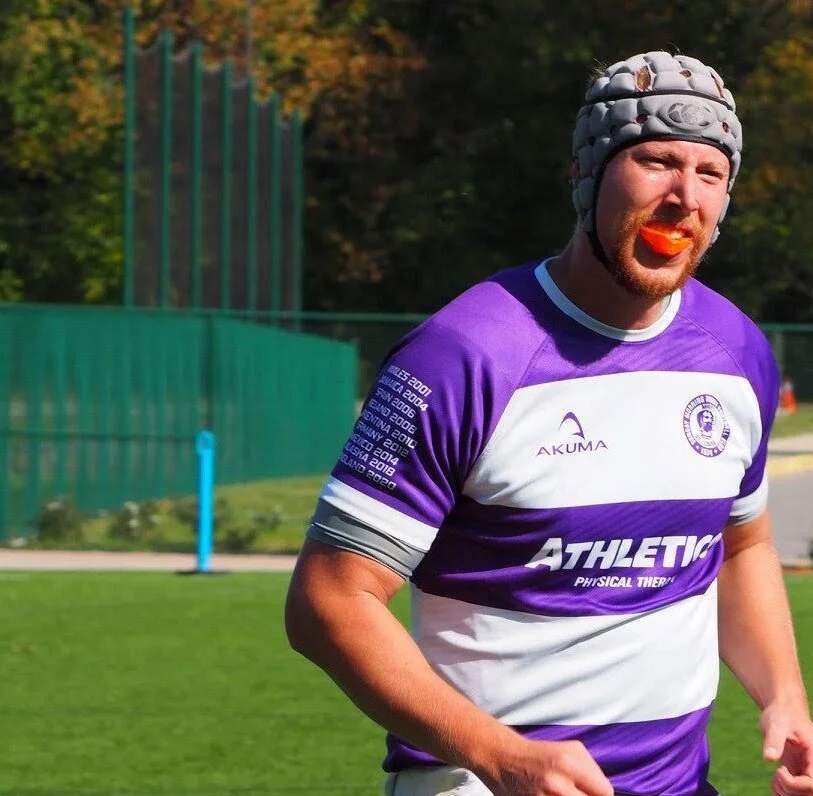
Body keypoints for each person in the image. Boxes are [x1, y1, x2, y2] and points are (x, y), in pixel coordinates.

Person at [285, 50, 813, 796]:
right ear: (584, 173)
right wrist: (500, 755)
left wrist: (783, 696)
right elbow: (328, 599)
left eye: (710, 173)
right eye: (656, 161)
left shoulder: (736, 351)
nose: (683, 196)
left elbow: (739, 544)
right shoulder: (462, 355)